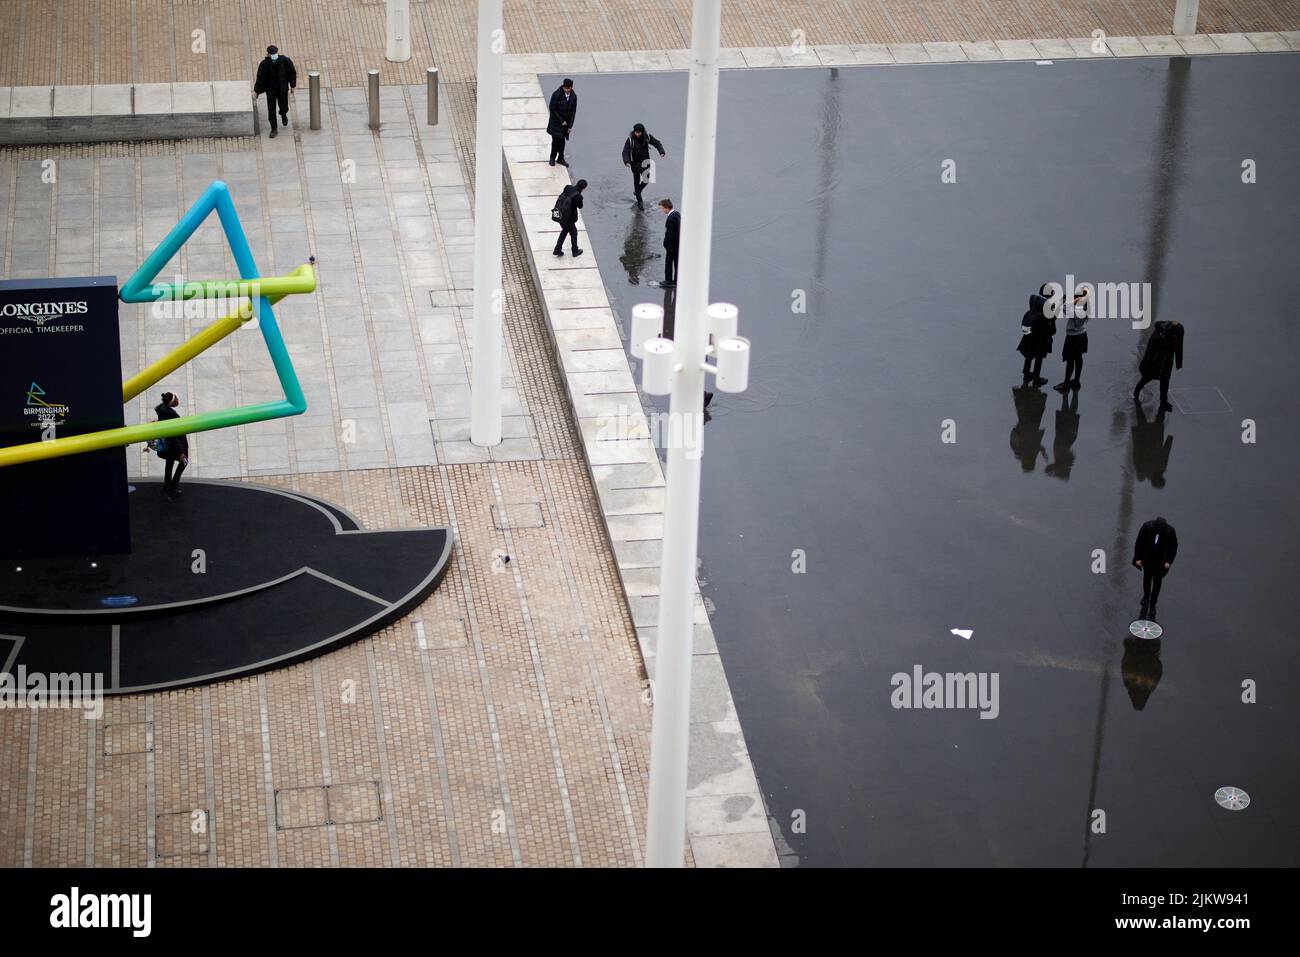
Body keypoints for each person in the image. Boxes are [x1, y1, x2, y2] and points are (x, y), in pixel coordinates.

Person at [1134, 320, 1184, 413]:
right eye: (1174, 337)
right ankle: (1136, 391)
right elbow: (1150, 351)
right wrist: (1148, 363)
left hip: (1167, 360)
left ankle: (1163, 402)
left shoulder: (1180, 331)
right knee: (1147, 377)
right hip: (1156, 360)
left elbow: (1179, 347)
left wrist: (1178, 363)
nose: (1176, 339)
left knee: (1165, 381)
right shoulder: (1158, 335)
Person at [1132, 516, 1178, 617]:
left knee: (1157, 582)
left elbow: (1173, 547)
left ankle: (1153, 603)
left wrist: (1169, 561)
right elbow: (1139, 543)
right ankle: (1146, 596)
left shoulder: (1170, 531)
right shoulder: (1147, 527)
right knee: (1147, 579)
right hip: (1147, 560)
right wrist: (1138, 558)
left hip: (1160, 562)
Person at [253, 45, 297, 139]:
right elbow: (260, 79)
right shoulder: (264, 64)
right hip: (270, 91)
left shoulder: (285, 61)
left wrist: (292, 85)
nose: (274, 55)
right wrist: (257, 91)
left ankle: (283, 115)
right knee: (271, 111)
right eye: (272, 54)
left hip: (282, 90)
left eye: (275, 53)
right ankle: (274, 129)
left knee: (284, 107)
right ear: (268, 54)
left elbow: (292, 73)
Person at [1016, 284, 1056, 387]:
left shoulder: (1033, 298)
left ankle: (1026, 374)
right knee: (1039, 356)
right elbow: (1052, 318)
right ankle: (1036, 378)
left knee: (1029, 354)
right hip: (1041, 335)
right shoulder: (1048, 305)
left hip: (1031, 332)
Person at [622, 123, 666, 210]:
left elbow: (657, 143)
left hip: (645, 162)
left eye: (639, 132)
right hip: (634, 163)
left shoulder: (647, 136)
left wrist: (661, 151)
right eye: (636, 132)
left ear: (642, 131)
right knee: (636, 181)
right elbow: (625, 151)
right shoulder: (630, 140)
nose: (637, 134)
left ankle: (637, 191)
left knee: (646, 179)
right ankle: (640, 201)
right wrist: (627, 161)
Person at [155, 391, 190, 496]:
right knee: (184, 461)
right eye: (176, 399)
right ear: (172, 403)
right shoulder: (170, 414)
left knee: (170, 462)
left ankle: (167, 483)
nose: (178, 401)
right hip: (176, 444)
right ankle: (174, 484)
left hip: (171, 444)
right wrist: (181, 451)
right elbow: (173, 435)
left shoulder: (164, 411)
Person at [1054, 289, 1090, 391]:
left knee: (1070, 360)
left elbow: (1065, 308)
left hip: (1073, 338)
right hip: (1082, 336)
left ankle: (1066, 383)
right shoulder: (1085, 309)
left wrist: (1071, 300)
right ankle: (1076, 380)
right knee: (1078, 358)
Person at [552, 179, 586, 257]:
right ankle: (575, 251)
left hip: (560, 214)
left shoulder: (568, 187)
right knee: (573, 233)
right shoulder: (578, 196)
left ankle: (557, 249)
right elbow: (580, 206)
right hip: (568, 218)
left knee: (564, 231)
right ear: (584, 188)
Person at [547, 79, 577, 167]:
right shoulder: (557, 94)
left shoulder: (573, 97)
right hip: (556, 123)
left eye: (568, 88)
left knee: (562, 141)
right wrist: (561, 121)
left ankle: (561, 158)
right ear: (563, 86)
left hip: (565, 125)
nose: (567, 90)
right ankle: (552, 158)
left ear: (571, 87)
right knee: (555, 141)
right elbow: (552, 108)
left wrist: (570, 126)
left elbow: (573, 112)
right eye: (565, 88)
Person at [659, 198, 680, 287]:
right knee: (676, 263)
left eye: (662, 208)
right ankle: (676, 280)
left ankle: (669, 281)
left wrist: (666, 245)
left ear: (666, 207)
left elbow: (670, 234)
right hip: (678, 244)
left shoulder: (670, 219)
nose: (662, 210)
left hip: (672, 246)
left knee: (669, 263)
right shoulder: (677, 214)